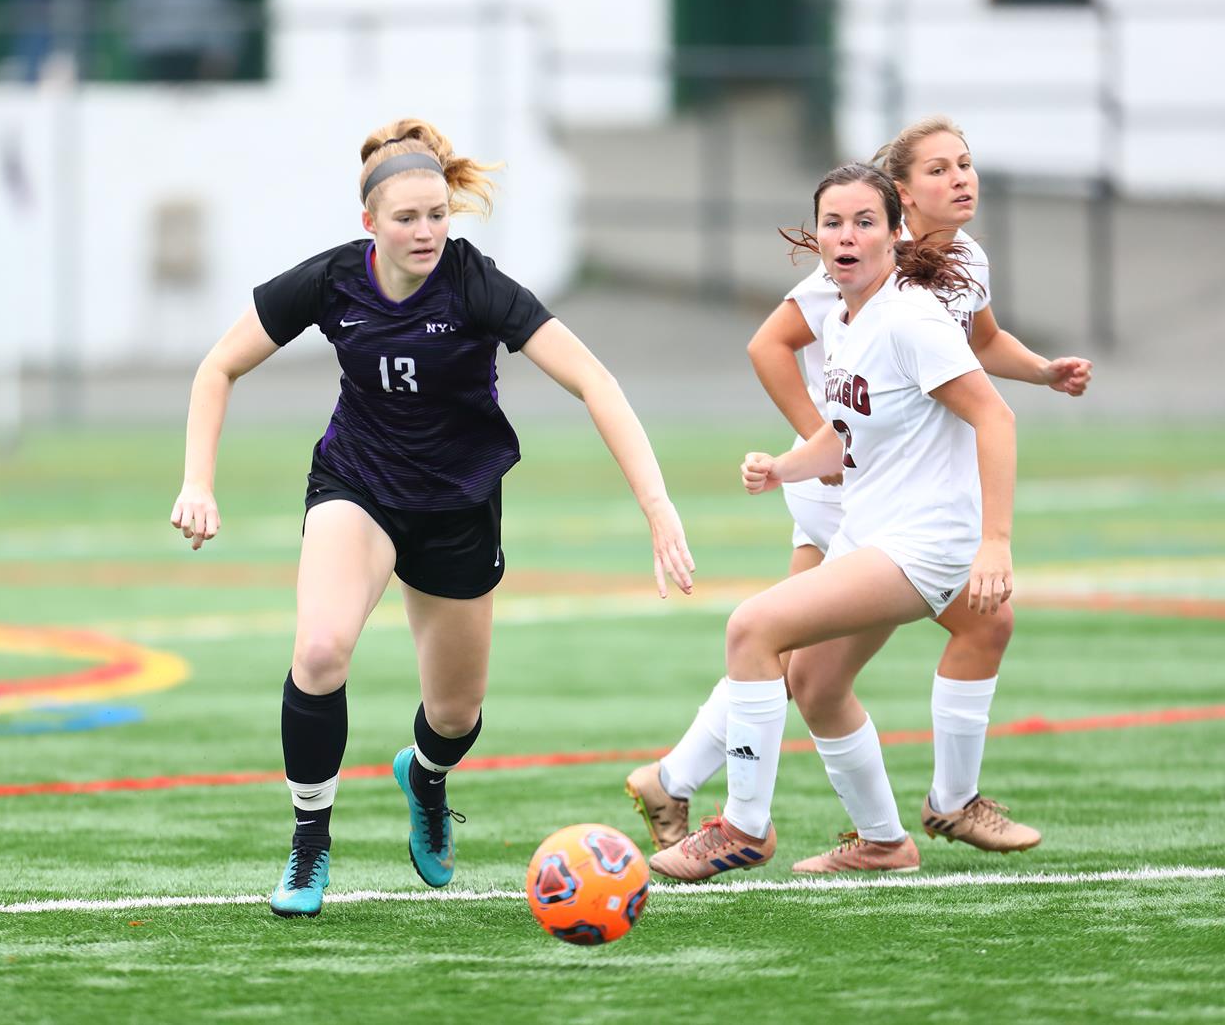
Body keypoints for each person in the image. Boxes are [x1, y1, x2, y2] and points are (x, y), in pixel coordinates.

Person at [169, 118, 696, 918]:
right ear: (369, 223)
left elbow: (595, 382)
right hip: (359, 487)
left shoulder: (476, 285)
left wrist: (658, 507)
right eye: (406, 217)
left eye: (437, 215)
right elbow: (219, 365)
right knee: (318, 649)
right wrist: (196, 482)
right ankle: (310, 844)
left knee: (455, 714)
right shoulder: (332, 281)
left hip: (457, 508)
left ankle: (425, 773)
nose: (425, 231)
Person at [627, 118, 1091, 862]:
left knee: (752, 629)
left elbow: (994, 416)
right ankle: (884, 842)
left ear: (894, 230)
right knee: (814, 681)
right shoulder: (845, 317)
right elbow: (845, 439)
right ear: (814, 239)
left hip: (922, 540)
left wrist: (995, 542)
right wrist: (783, 466)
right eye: (832, 224)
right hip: (869, 527)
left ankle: (743, 827)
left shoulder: (909, 314)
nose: (845, 236)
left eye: (863, 222)